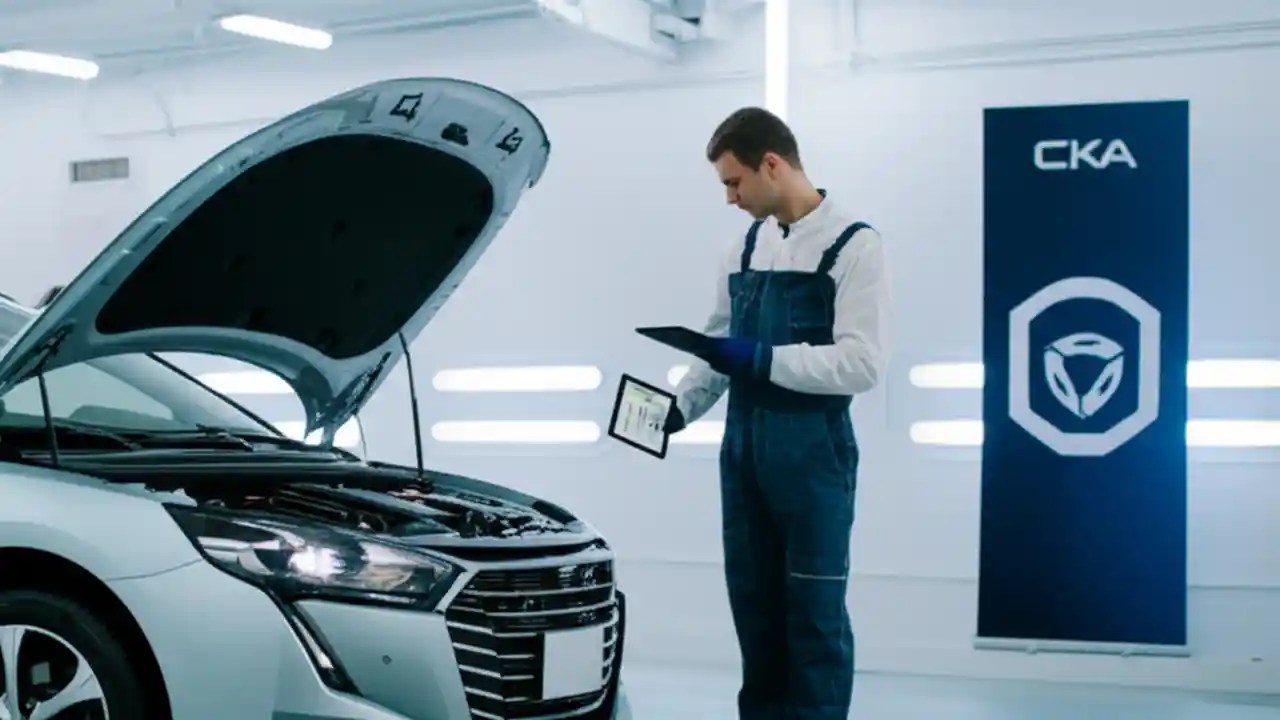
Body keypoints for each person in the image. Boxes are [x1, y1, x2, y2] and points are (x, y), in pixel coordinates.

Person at [664, 107, 890, 720]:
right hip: (743, 456)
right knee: (756, 614)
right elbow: (719, 344)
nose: (730, 199)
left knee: (813, 619)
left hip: (813, 458)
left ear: (771, 164)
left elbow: (862, 364)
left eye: (733, 182)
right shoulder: (743, 247)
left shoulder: (854, 245)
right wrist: (677, 409)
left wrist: (764, 359)